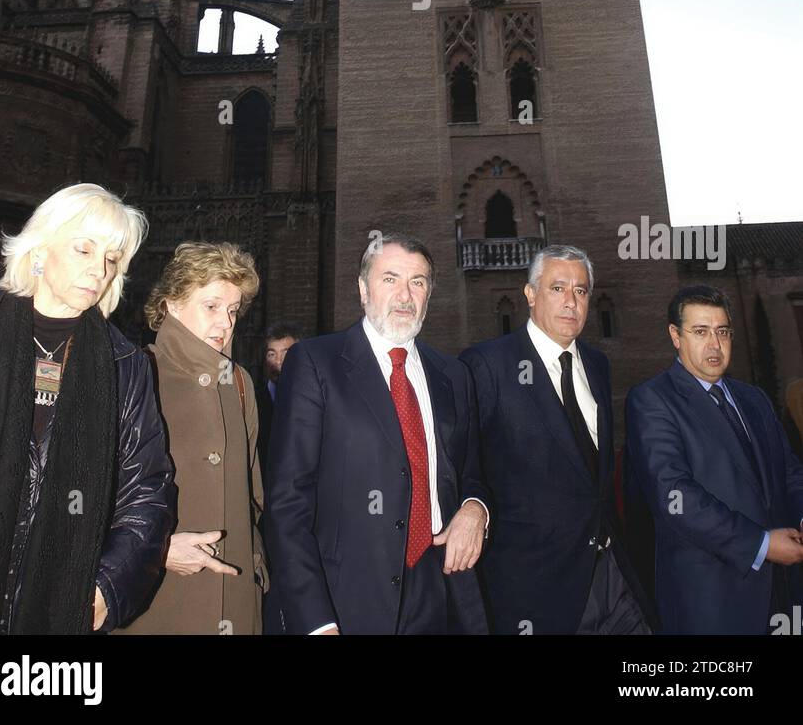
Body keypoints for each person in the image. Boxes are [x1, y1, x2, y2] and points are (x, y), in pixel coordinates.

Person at [0, 183, 174, 635]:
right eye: (84, 249)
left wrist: (107, 588)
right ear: (39, 249)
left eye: (112, 259)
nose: (100, 270)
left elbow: (147, 489)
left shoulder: (125, 365)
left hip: (58, 613)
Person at [265, 231, 489, 635]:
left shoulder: (453, 375)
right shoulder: (316, 364)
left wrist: (475, 509)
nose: (405, 295)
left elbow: (472, 470)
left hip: (441, 589)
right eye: (391, 279)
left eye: (417, 282)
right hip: (348, 600)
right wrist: (316, 621)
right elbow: (288, 503)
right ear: (363, 289)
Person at [461, 244, 653, 635]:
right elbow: (465, 464)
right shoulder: (487, 365)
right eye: (557, 288)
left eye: (581, 291)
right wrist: (473, 506)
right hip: (539, 591)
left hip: (613, 578)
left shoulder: (598, 366)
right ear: (530, 295)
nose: (571, 302)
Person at [626, 284, 803, 635]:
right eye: (700, 331)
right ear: (675, 336)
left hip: (784, 593)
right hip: (713, 601)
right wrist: (762, 545)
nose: (714, 344)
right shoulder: (651, 400)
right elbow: (674, 497)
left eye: (722, 332)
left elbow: (789, 473)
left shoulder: (754, 399)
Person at [116, 241, 267, 635]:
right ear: (171, 304)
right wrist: (158, 550)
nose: (226, 322)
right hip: (154, 599)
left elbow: (252, 498)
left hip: (235, 602)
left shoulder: (239, 383)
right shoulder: (132, 374)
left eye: (233, 310)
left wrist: (255, 570)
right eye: (212, 306)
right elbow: (89, 500)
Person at [256, 322, 301, 480]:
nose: (278, 361)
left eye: (286, 354)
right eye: (271, 354)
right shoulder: (252, 404)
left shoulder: (316, 402)